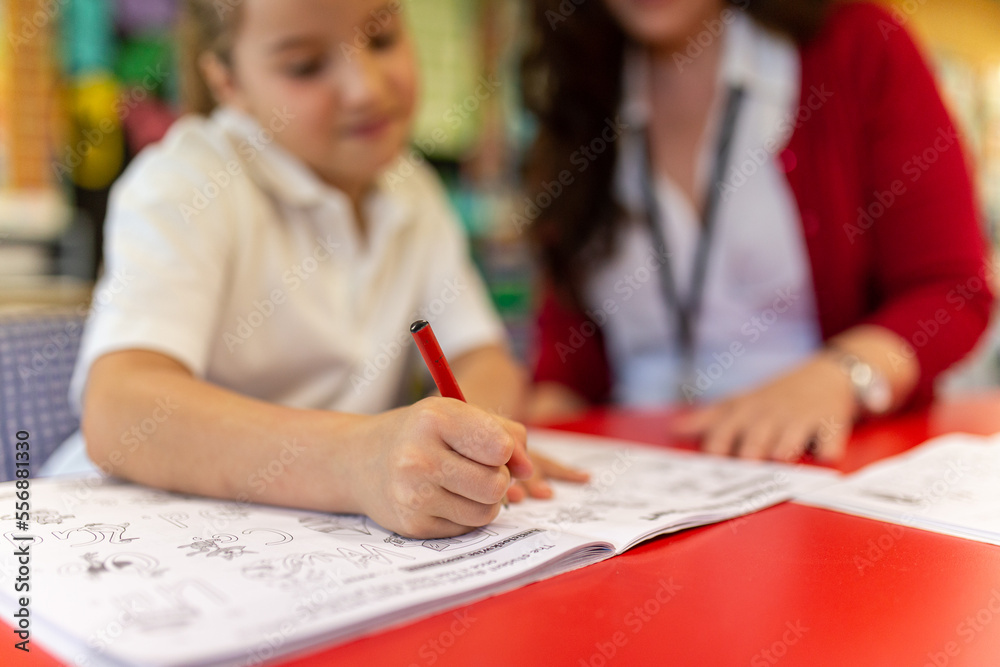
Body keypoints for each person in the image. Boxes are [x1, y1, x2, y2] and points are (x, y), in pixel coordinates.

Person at [45, 0, 585, 540]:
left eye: (381, 39)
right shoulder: (185, 184)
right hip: (126, 545)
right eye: (305, 66)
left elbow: (483, 358)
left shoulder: (412, 190)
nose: (366, 89)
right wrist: (359, 460)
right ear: (228, 81)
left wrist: (464, 452)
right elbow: (120, 412)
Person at [522, 0, 994, 461]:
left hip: (819, 460)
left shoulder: (858, 44)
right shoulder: (581, 91)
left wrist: (842, 375)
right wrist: (521, 438)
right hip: (633, 480)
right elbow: (567, 366)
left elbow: (952, 290)